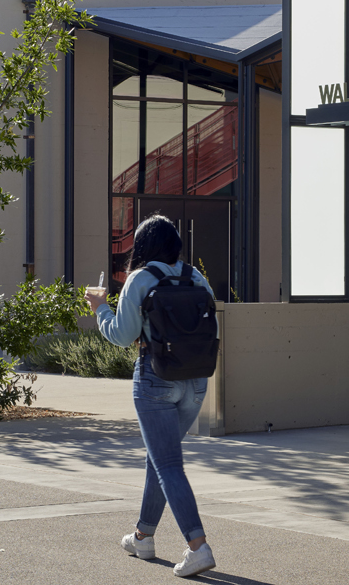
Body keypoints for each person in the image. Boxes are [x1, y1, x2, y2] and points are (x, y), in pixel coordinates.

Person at [87, 214, 216, 578]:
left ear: (141, 246)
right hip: (196, 382)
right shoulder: (196, 276)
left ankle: (198, 546)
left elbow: (122, 335)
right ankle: (143, 536)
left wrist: (100, 308)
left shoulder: (140, 279)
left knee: (168, 464)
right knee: (159, 460)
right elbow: (213, 328)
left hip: (155, 380)